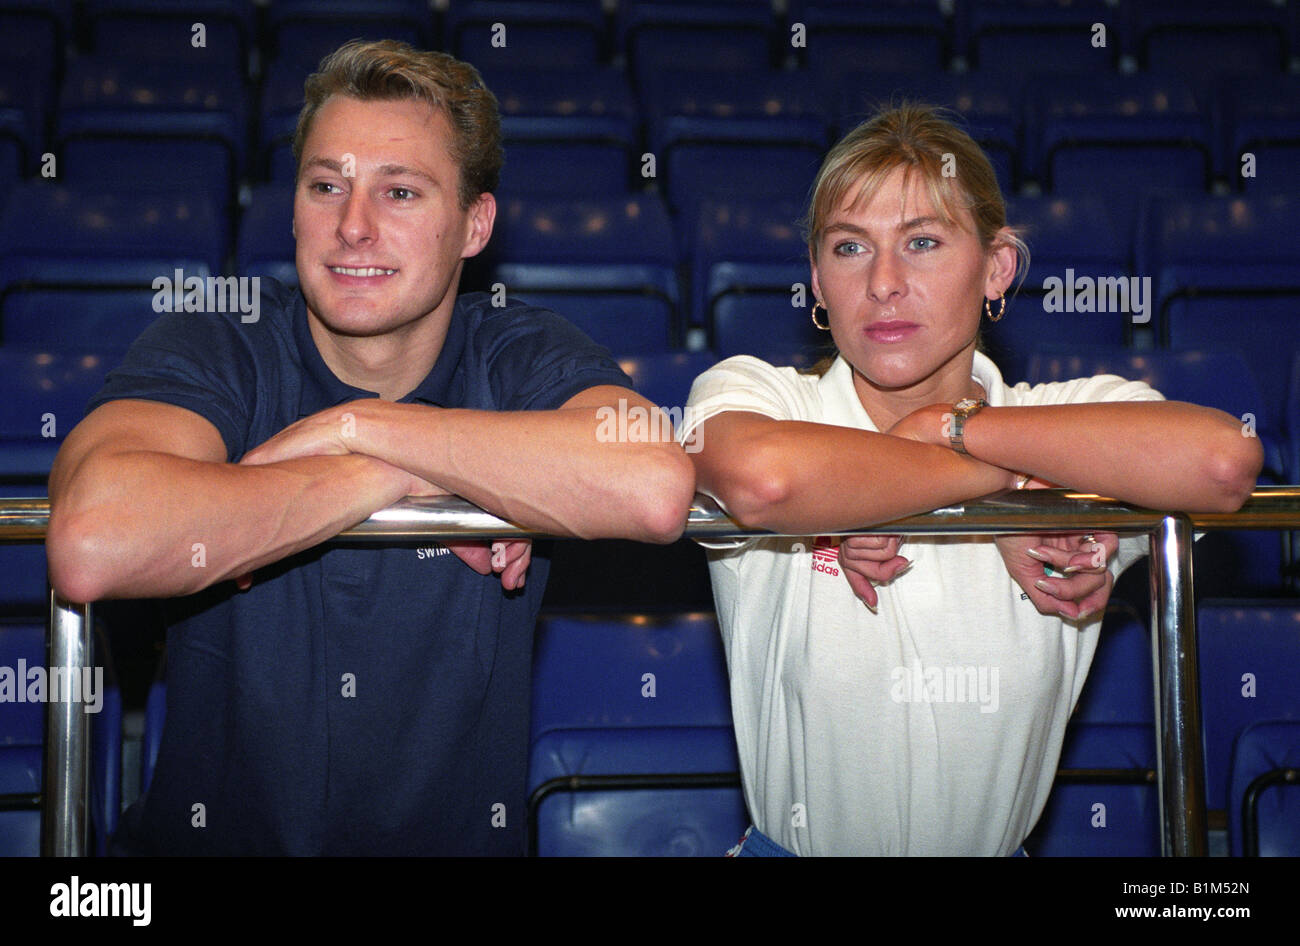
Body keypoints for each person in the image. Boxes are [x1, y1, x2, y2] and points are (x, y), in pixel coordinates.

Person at [45, 40, 695, 855]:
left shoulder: (517, 351)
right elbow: (93, 539)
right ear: (291, 208)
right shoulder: (222, 344)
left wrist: (361, 426)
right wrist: (391, 475)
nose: (353, 225)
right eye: (326, 186)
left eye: (399, 192)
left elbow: (653, 485)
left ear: (475, 224)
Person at [679, 104, 1263, 856]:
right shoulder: (763, 397)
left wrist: (958, 429)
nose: (885, 283)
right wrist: (993, 485)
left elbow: (1221, 462)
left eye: (922, 242)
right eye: (851, 247)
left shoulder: (1067, 417)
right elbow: (763, 481)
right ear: (817, 283)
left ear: (997, 269)